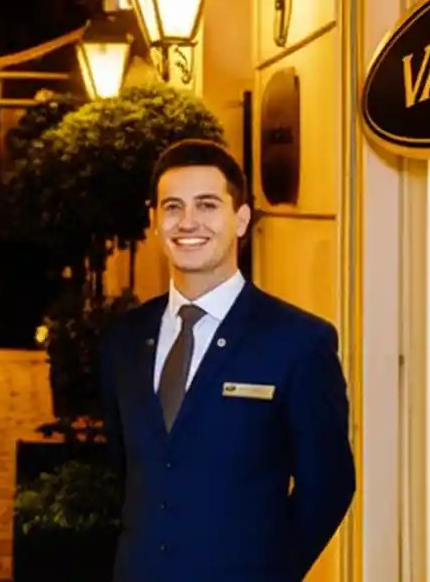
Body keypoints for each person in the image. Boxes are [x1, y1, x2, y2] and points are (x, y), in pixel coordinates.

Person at [99, 139, 355, 582]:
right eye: (173, 207)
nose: (188, 222)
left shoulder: (298, 342)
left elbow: (329, 486)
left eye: (207, 205)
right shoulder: (124, 338)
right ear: (154, 221)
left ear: (240, 219)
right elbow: (125, 469)